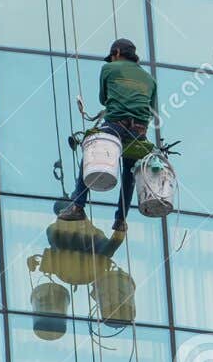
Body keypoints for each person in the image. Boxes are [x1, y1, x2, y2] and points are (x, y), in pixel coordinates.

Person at [59, 38, 158, 233]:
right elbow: (151, 109)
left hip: (115, 126)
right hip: (139, 132)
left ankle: (78, 206)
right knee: (129, 174)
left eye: (112, 56)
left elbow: (104, 99)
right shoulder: (150, 79)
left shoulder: (109, 69)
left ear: (118, 52)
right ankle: (120, 220)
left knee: (91, 153)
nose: (111, 59)